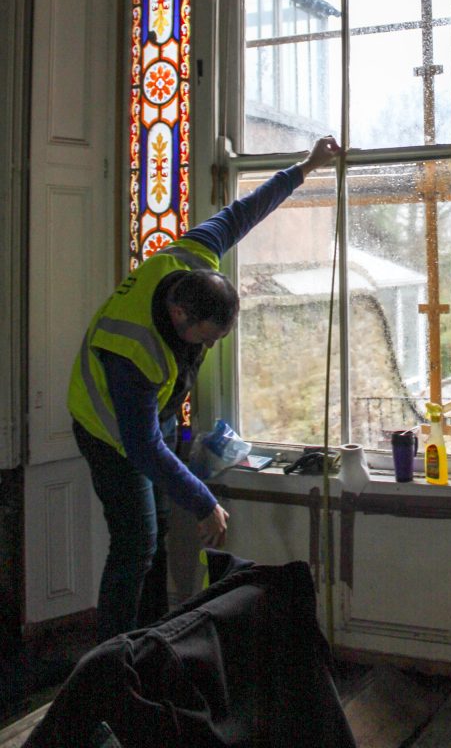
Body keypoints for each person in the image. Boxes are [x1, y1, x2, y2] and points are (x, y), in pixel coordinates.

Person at [68, 135, 341, 642]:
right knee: (136, 541)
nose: (211, 346)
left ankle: (149, 642)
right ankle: (110, 659)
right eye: (207, 337)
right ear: (179, 314)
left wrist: (308, 165)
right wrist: (203, 501)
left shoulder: (193, 254)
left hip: (156, 417)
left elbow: (245, 211)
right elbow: (142, 447)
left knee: (156, 535)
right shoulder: (134, 354)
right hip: (106, 430)